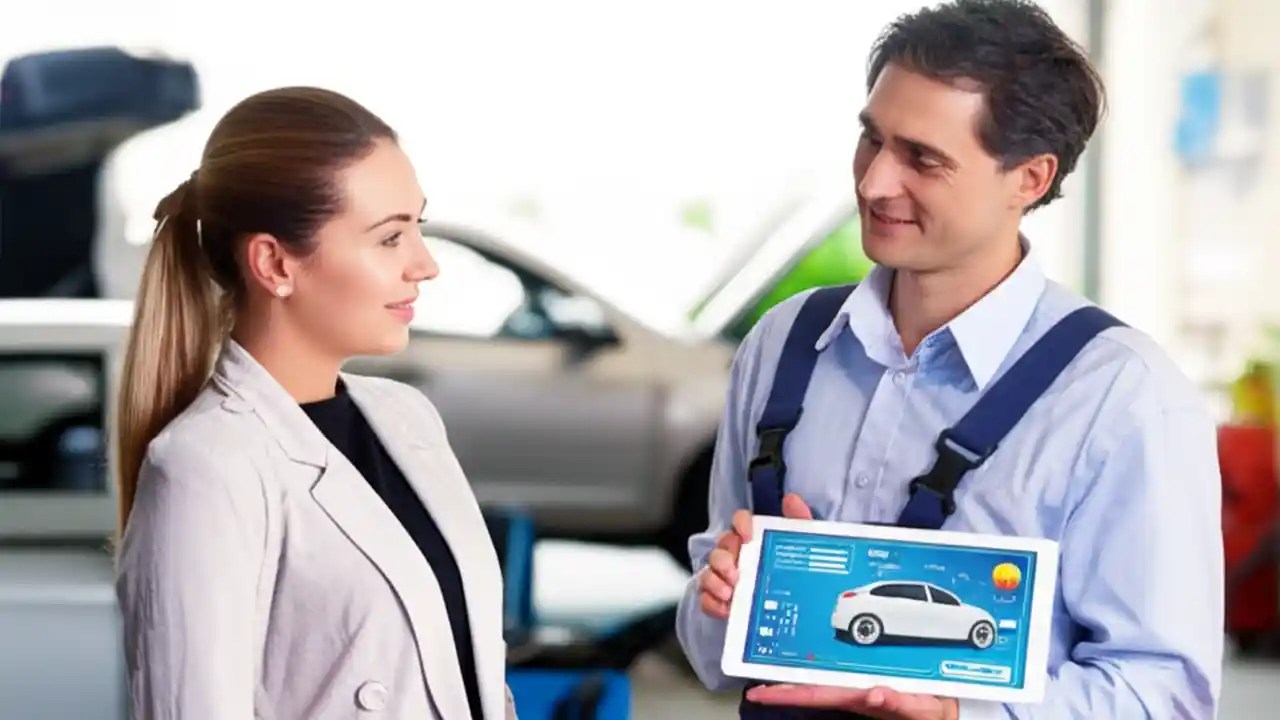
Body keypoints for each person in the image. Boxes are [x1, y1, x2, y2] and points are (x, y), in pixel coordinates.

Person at [677, 1, 1223, 719]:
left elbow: (1166, 694)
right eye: (871, 140)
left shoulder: (1123, 399)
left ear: (1029, 178)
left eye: (923, 159)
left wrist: (960, 716)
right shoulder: (783, 347)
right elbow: (711, 652)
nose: (873, 184)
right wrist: (724, 603)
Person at [112, 86, 516, 720]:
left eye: (419, 227)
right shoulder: (206, 466)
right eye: (389, 238)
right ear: (275, 263)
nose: (425, 264)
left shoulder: (407, 419)